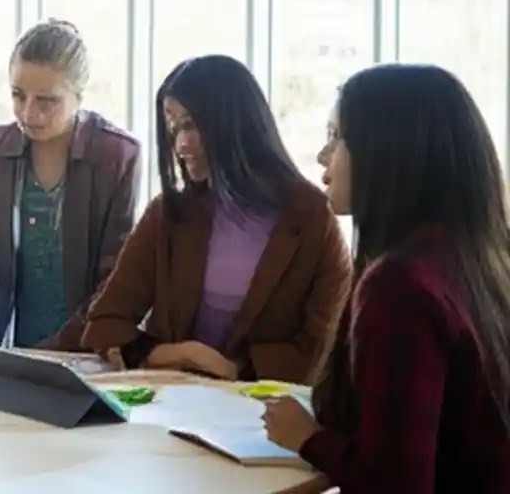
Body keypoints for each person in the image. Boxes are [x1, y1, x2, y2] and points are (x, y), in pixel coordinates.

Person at [264, 64, 510, 491]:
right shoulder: (479, 259)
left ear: (387, 153)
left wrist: (307, 438)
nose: (323, 156)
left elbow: (395, 484)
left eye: (337, 138)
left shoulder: (401, 287)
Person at [82, 55, 350, 383]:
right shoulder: (168, 214)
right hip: (171, 403)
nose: (180, 144)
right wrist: (182, 354)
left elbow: (318, 351)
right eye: (173, 127)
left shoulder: (312, 220)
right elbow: (105, 322)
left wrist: (235, 369)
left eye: (191, 125)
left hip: (264, 414)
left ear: (235, 123)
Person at [0, 20, 139, 348]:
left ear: (78, 95)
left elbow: (114, 279)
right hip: (7, 345)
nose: (28, 113)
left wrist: (62, 347)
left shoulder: (116, 155)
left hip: (84, 347)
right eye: (18, 95)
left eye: (46, 101)